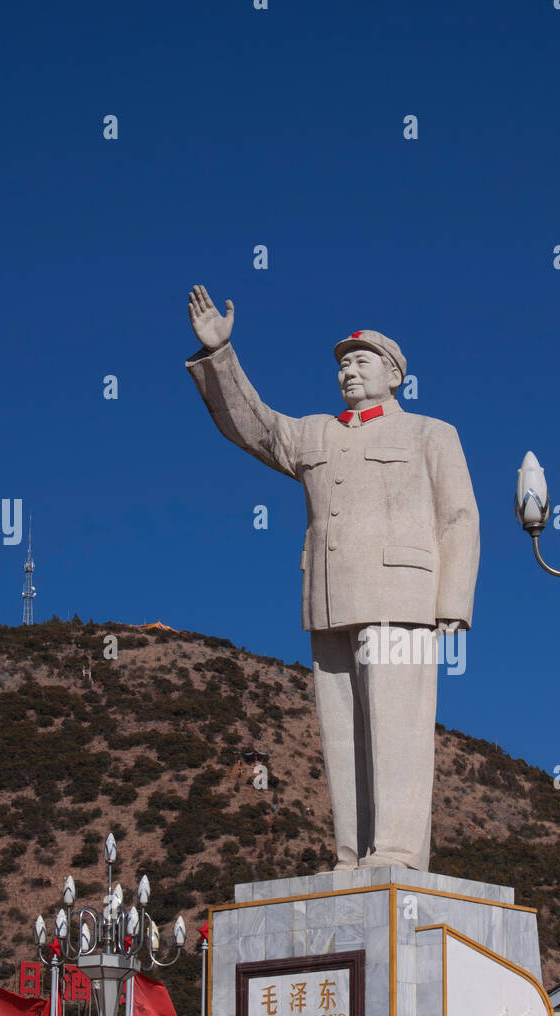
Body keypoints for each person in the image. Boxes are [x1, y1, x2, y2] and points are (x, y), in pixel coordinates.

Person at [186, 286, 479, 870]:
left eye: (361, 360)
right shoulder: (316, 433)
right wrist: (222, 355)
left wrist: (452, 603)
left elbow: (460, 517)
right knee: (341, 735)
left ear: (394, 374)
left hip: (402, 597)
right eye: (342, 362)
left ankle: (394, 849)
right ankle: (352, 852)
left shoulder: (430, 434)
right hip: (328, 597)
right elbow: (256, 426)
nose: (348, 369)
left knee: (398, 727)